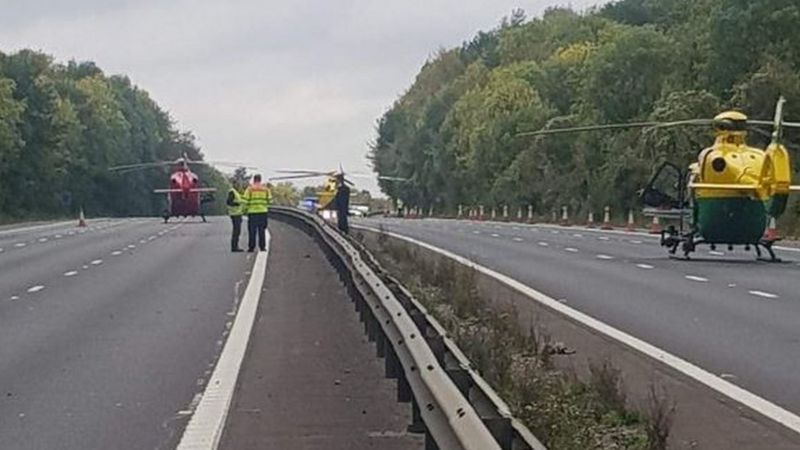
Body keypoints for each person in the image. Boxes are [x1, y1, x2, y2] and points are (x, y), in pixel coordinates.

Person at [243, 174, 271, 252]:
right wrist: (265, 205)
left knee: (252, 231)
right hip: (263, 212)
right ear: (260, 180)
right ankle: (262, 247)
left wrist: (244, 210)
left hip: (252, 212)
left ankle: (251, 247)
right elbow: (270, 200)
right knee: (262, 230)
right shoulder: (265, 189)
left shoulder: (250, 189)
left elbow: (245, 200)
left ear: (254, 180)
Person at [226, 181, 245, 252]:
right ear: (234, 184)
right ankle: (234, 247)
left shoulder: (236, 192)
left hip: (237, 214)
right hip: (235, 214)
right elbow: (229, 202)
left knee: (237, 231)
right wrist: (237, 204)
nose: (238, 186)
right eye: (237, 184)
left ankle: (235, 246)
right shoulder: (232, 192)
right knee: (236, 231)